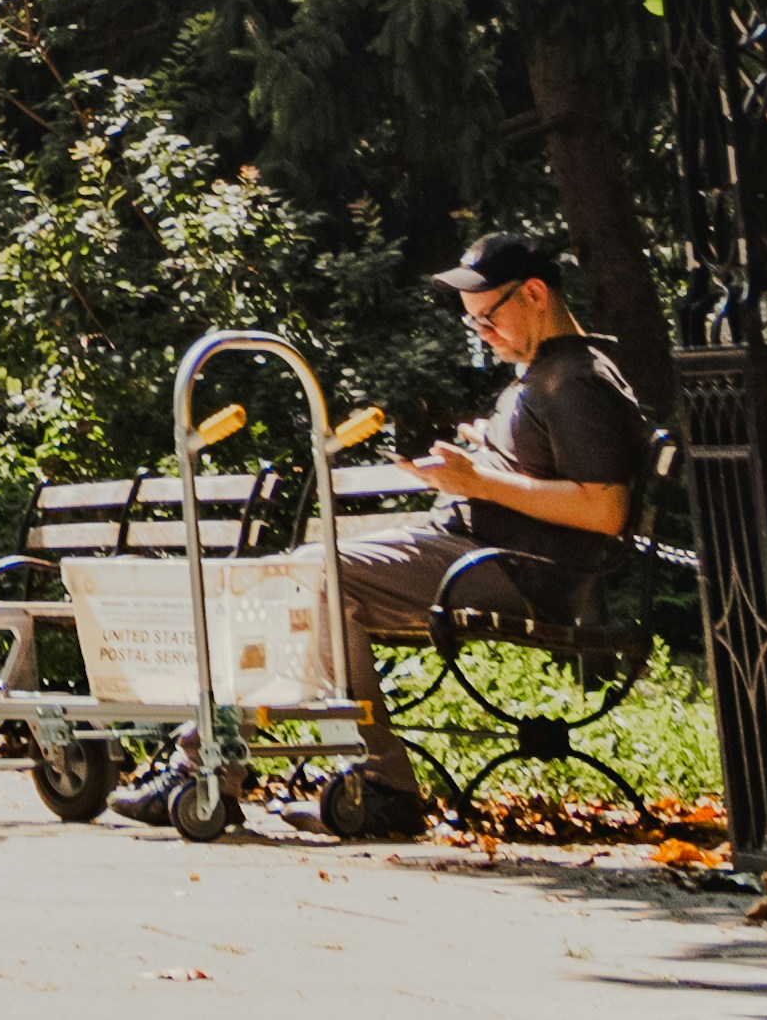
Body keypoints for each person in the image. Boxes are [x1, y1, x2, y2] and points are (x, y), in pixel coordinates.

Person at [112, 233, 660, 834]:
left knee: (310, 577)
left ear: (534, 293)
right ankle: (212, 769)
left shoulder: (575, 380)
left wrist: (478, 481)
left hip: (510, 572)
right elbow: (555, 478)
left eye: (487, 316)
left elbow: (605, 510)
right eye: (471, 320)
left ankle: (375, 786)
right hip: (480, 556)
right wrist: (487, 460)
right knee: (295, 578)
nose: (479, 330)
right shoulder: (546, 373)